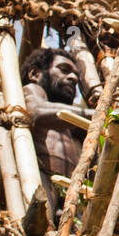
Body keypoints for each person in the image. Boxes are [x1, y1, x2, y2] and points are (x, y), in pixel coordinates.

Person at [21, 47, 91, 220]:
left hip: (72, 193)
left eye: (76, 75)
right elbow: (36, 111)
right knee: (43, 227)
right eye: (64, 70)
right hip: (42, 180)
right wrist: (98, 115)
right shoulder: (32, 91)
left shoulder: (71, 124)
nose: (73, 78)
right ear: (35, 74)